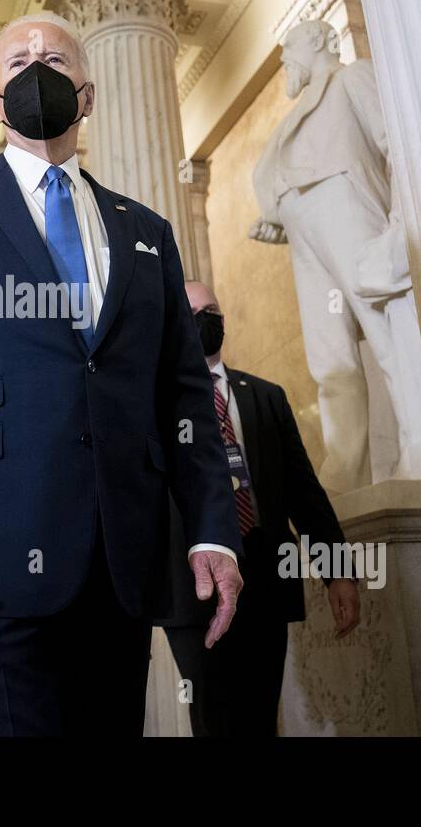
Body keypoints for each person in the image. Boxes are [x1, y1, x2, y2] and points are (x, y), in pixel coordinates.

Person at [0, 12, 243, 736]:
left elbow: (184, 397)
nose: (38, 67)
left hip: (121, 561)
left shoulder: (147, 232)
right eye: (18, 61)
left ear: (88, 95)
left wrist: (214, 534)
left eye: (56, 59)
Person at [159, 280, 361, 736]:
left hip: (267, 584)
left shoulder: (266, 397)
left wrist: (338, 572)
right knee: (214, 719)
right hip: (196, 591)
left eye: (211, 309)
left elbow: (304, 494)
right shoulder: (157, 403)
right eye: (192, 313)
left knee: (258, 715)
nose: (204, 319)